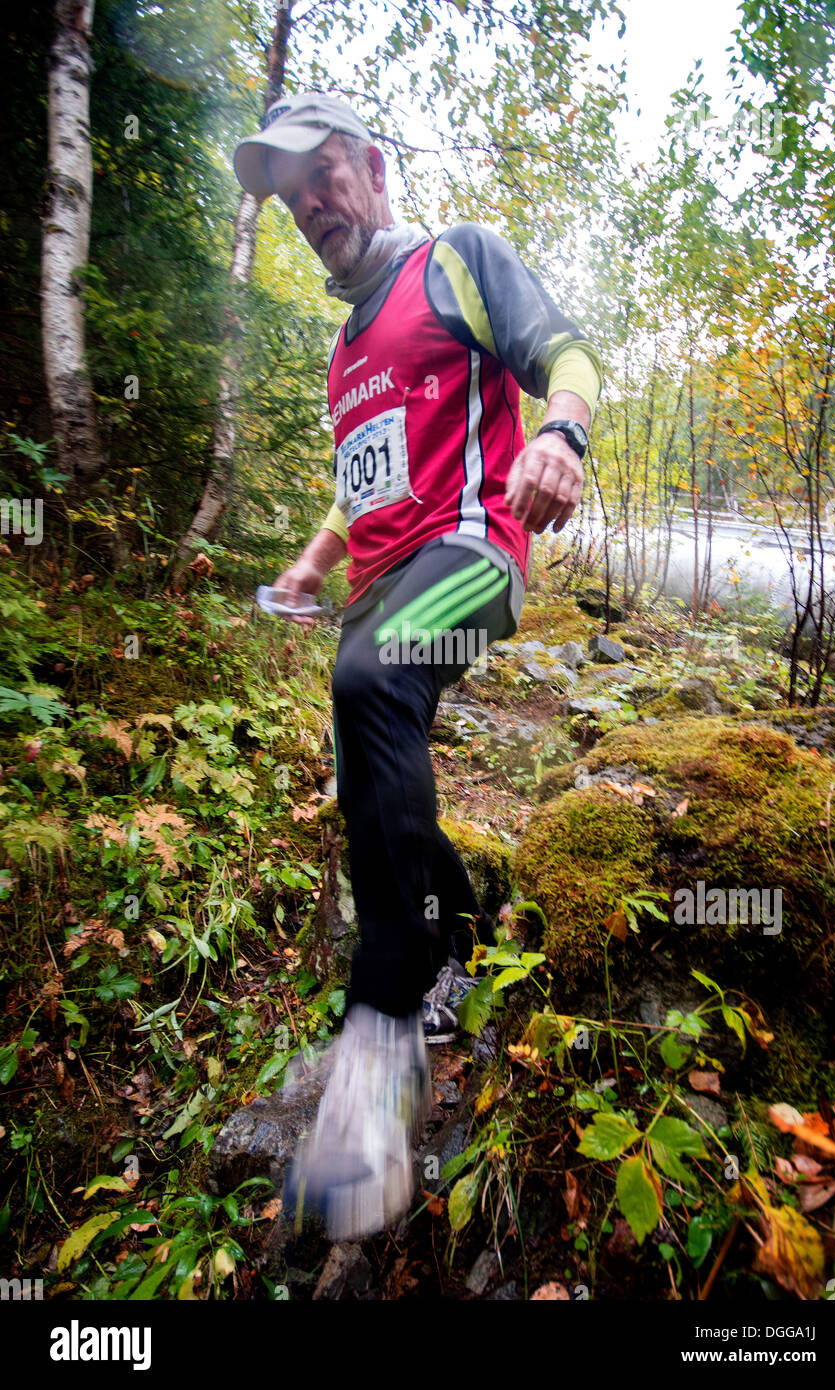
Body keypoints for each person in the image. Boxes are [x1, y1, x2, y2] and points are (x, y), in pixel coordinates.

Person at [233, 93, 603, 1241]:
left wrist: (562, 431)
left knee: (369, 684)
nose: (309, 208)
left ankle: (381, 1028)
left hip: (469, 562)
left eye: (323, 178)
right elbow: (363, 481)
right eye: (290, 200)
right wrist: (311, 558)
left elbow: (566, 350)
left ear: (373, 167)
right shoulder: (345, 346)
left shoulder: (458, 261)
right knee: (367, 766)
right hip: (376, 588)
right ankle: (450, 933)